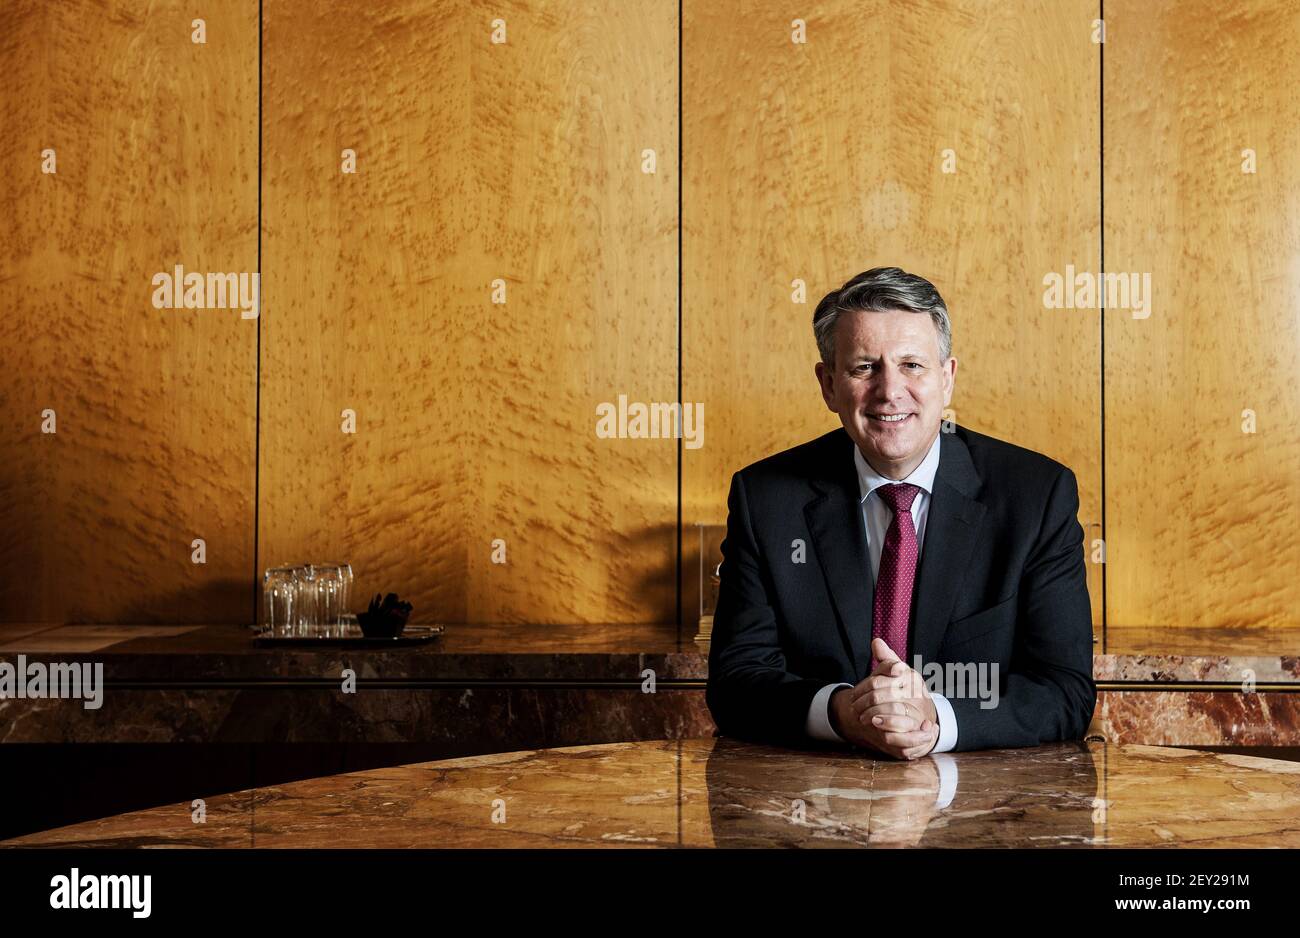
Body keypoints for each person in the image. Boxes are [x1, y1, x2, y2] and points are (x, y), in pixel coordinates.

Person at [705, 267, 1096, 757]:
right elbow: (736, 684)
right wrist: (840, 712)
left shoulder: (1037, 496)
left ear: (947, 379)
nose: (890, 391)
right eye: (864, 367)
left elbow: (1065, 691)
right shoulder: (764, 498)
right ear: (828, 385)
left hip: (984, 813)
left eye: (913, 365)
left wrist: (938, 717)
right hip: (812, 808)